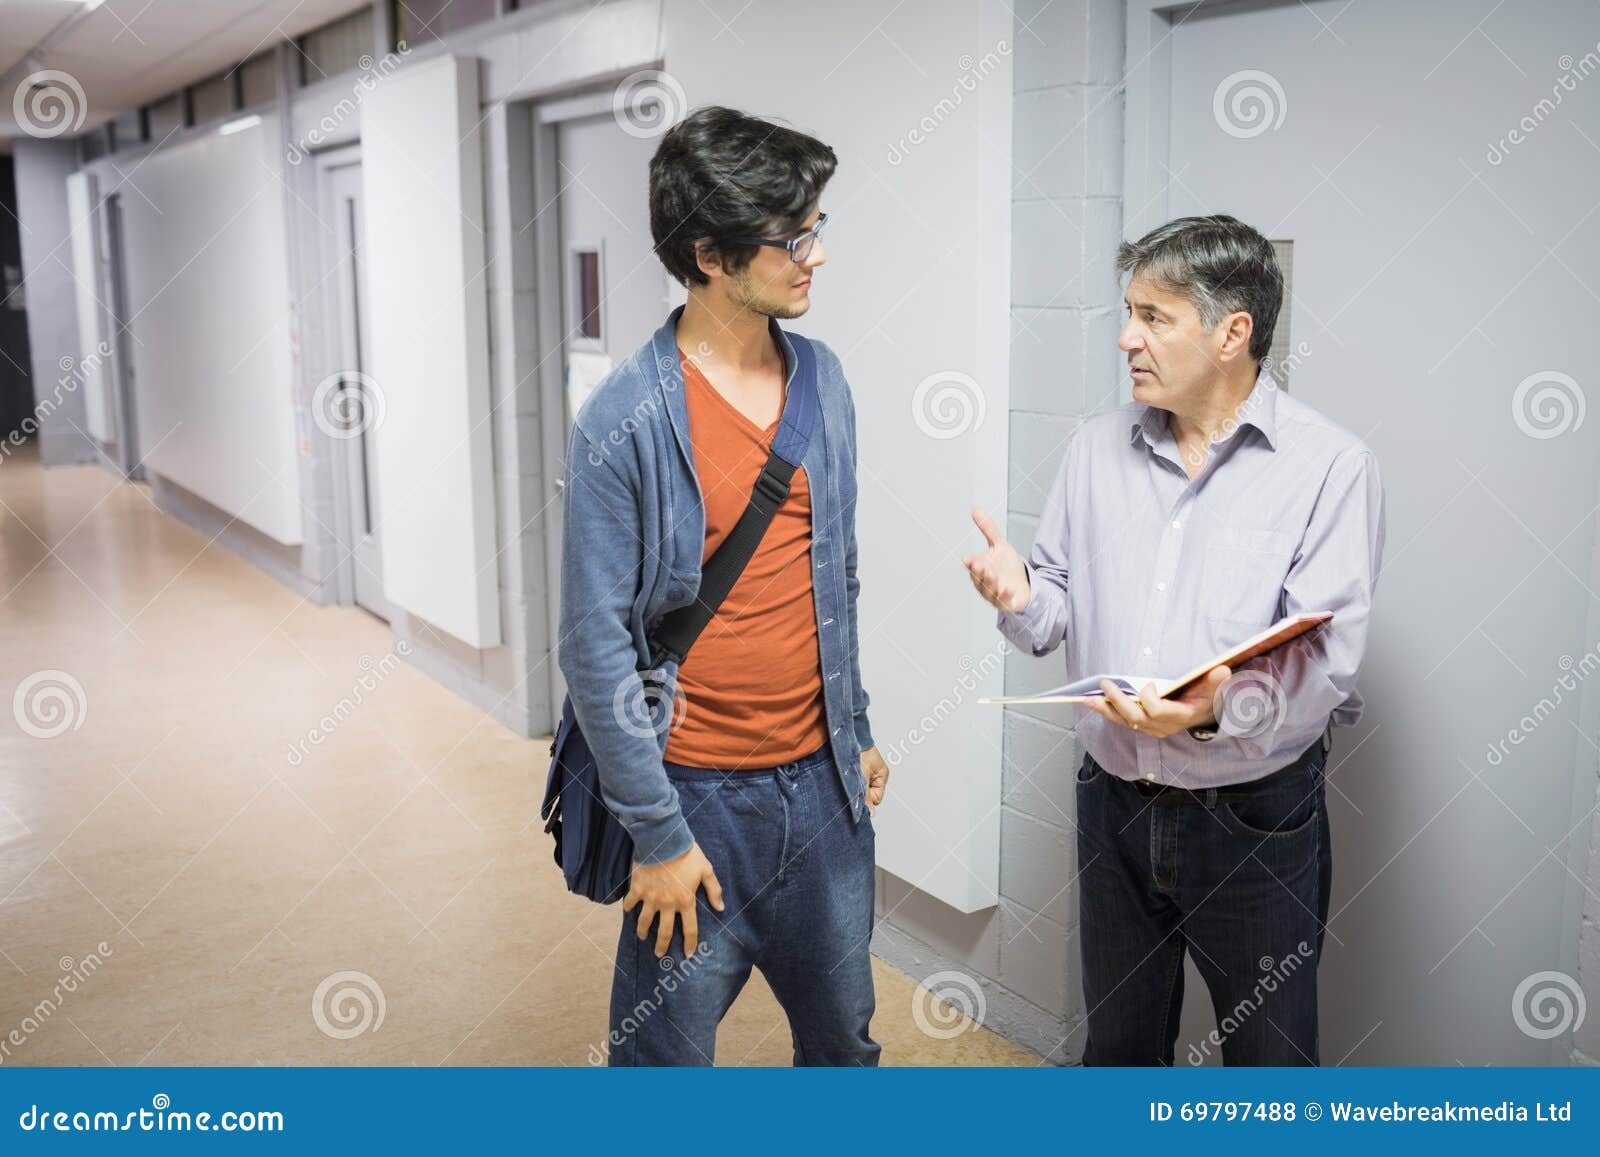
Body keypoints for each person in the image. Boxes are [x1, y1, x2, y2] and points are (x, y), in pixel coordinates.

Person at [963, 215, 1385, 1065]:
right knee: (1118, 1047)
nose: (1127, 338)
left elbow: (1323, 667)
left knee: (1269, 1061)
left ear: (1233, 332)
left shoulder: (1331, 467)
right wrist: (1018, 595)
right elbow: (1050, 620)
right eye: (1129, 311)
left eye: (1154, 317)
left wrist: (1206, 710)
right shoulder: (1093, 450)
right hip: (1112, 798)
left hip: (1254, 819)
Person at [558, 106, 887, 1066]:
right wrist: (657, 835)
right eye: (792, 239)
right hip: (692, 794)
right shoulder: (623, 419)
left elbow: (840, 572)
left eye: (814, 229)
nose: (814, 255)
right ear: (711, 256)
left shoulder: (823, 382)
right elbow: (595, 645)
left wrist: (854, 725)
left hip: (823, 795)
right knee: (665, 1065)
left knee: (844, 1051)